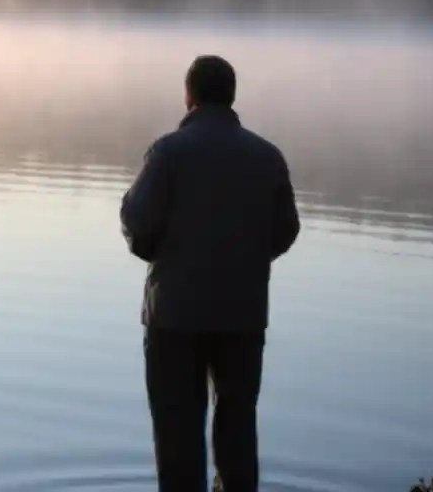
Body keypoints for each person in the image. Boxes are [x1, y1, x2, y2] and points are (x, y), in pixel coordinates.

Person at [120, 55, 301, 492]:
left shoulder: (168, 153)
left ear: (189, 97)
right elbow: (286, 230)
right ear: (232, 96)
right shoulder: (267, 156)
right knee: (238, 424)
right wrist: (247, 261)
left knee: (176, 428)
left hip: (174, 316)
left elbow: (136, 221)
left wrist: (157, 257)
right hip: (242, 313)